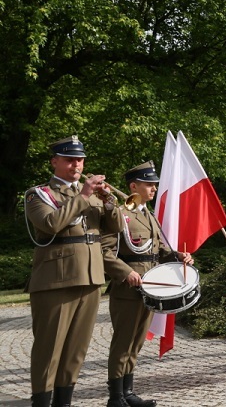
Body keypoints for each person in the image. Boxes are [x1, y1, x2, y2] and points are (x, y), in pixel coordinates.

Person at [24, 136, 121, 407]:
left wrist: (110, 202)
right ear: (55, 161)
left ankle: (64, 402)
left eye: (79, 159)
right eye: (69, 159)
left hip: (90, 276)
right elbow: (51, 223)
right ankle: (41, 403)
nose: (76, 164)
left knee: (76, 349)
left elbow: (116, 228)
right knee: (49, 348)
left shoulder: (89, 194)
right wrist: (84, 195)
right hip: (56, 279)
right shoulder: (40, 194)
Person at [103, 161, 193, 407]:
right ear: (134, 186)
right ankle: (115, 397)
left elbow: (159, 251)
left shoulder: (147, 214)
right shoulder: (120, 214)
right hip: (128, 287)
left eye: (154, 184)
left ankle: (128, 393)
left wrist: (178, 256)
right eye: (149, 184)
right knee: (123, 342)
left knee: (136, 342)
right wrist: (125, 272)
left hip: (149, 286)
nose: (154, 188)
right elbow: (105, 251)